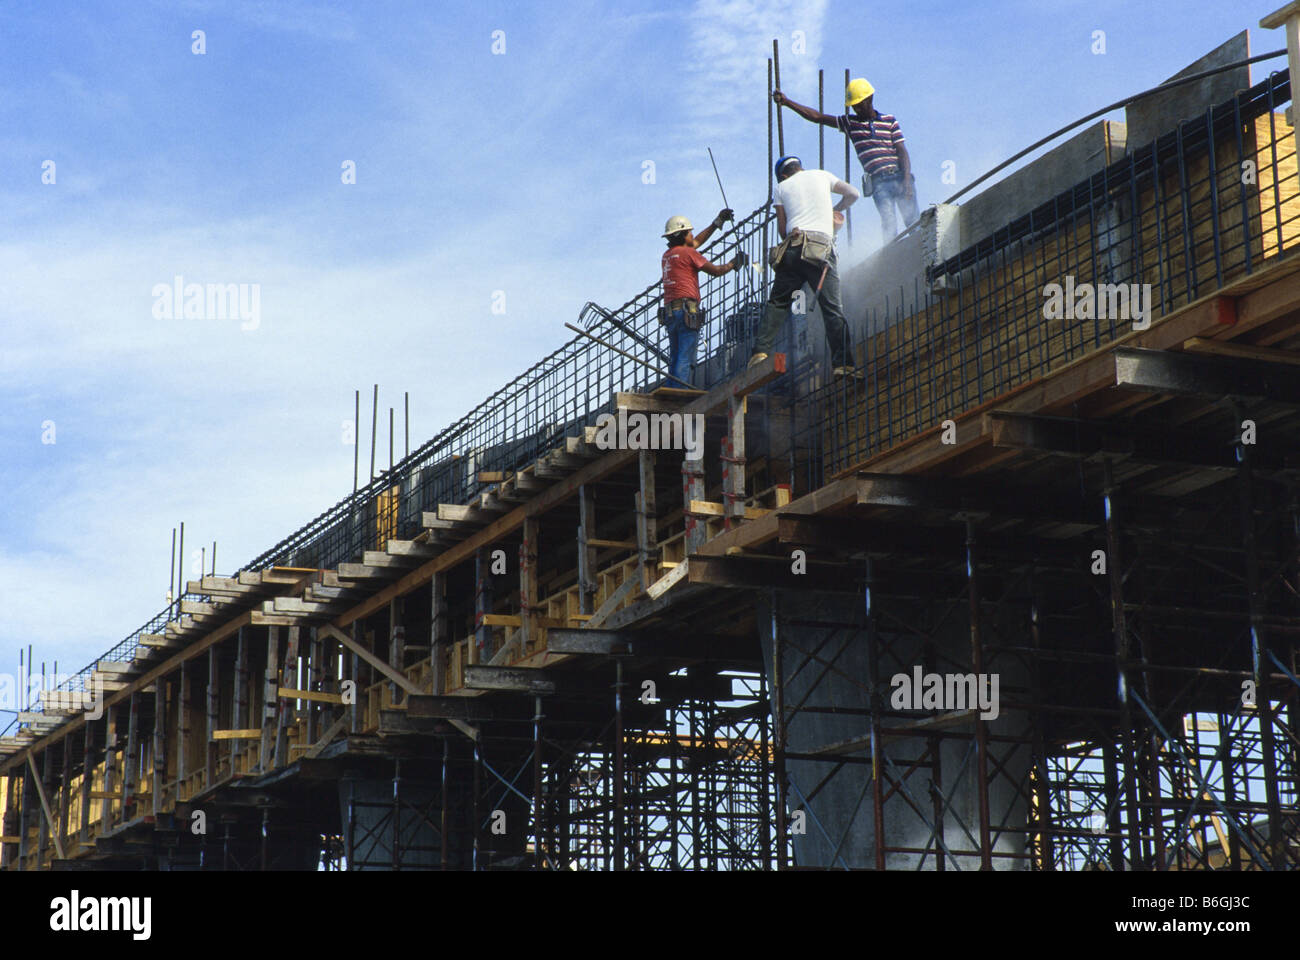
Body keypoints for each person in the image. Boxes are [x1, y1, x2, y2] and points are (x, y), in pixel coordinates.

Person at [750, 156, 859, 377]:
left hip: (794, 247)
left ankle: (759, 353)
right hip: (820, 251)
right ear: (801, 167)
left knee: (778, 302)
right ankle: (843, 365)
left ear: (783, 174)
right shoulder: (822, 175)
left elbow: (783, 230)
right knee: (832, 309)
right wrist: (832, 211)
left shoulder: (781, 187)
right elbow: (853, 194)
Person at [773, 78, 918, 239]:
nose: (855, 109)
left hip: (899, 176)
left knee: (912, 220)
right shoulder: (850, 123)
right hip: (879, 183)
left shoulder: (889, 120)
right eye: (853, 106)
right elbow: (817, 117)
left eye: (859, 104)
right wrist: (787, 102)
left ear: (869, 99)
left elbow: (902, 151)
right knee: (889, 224)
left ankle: (923, 253)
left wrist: (906, 180)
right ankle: (893, 257)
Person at [659, 210, 746, 386]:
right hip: (686, 311)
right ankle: (678, 393)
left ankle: (672, 389)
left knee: (675, 355)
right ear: (682, 235)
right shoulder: (689, 254)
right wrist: (733, 264)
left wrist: (717, 222)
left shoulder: (667, 256)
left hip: (670, 312)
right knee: (686, 355)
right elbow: (716, 271)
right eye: (689, 232)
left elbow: (696, 242)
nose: (692, 234)